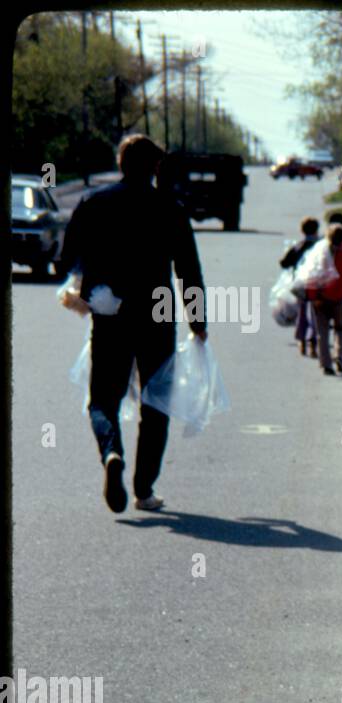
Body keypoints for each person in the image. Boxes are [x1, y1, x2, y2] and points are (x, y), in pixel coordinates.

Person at [57, 133, 206, 513]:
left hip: (111, 313)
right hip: (157, 312)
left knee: (103, 400)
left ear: (120, 164)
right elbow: (189, 269)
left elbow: (66, 258)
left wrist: (85, 285)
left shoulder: (93, 202)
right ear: (156, 167)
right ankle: (143, 489)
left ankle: (112, 454)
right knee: (156, 403)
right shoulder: (170, 207)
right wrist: (198, 320)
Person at [307, 225, 342, 375]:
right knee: (339, 330)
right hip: (337, 299)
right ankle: (339, 357)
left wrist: (313, 297)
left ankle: (326, 364)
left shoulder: (320, 256)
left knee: (322, 333)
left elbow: (311, 276)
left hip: (320, 299)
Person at [280, 216, 320, 357]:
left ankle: (302, 341)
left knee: (302, 313)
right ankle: (313, 343)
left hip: (301, 285)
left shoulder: (298, 246)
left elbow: (284, 263)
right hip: (317, 284)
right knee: (315, 314)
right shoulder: (320, 246)